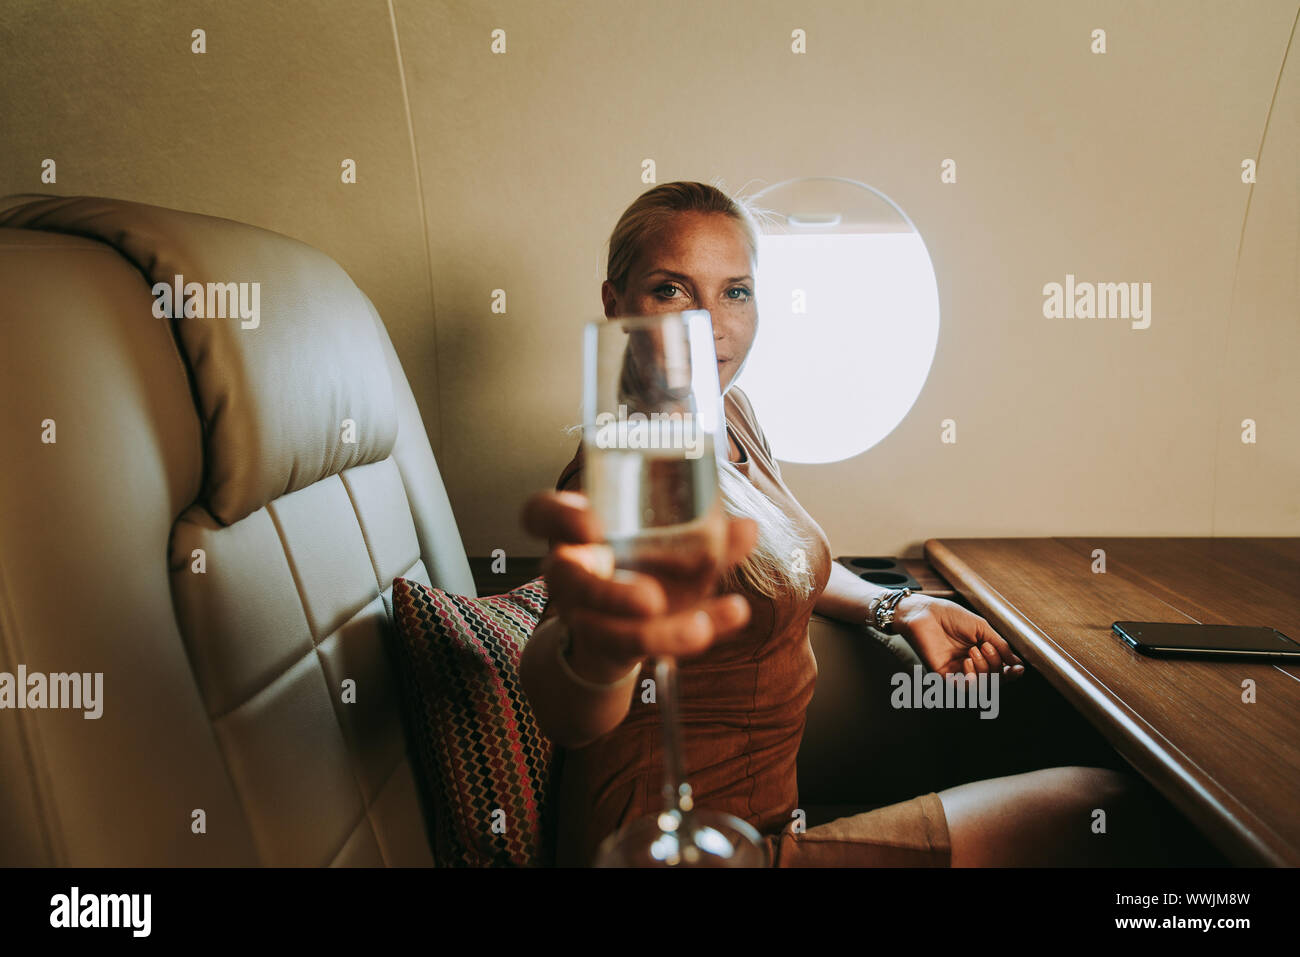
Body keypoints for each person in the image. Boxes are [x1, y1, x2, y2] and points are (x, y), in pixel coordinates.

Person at [519, 180, 1162, 867]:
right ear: (616, 304)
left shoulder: (731, 414)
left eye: (735, 291)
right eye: (672, 290)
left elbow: (781, 564)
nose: (710, 323)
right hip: (673, 848)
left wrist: (900, 605)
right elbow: (567, 697)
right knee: (1104, 805)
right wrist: (602, 656)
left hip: (761, 818)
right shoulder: (619, 474)